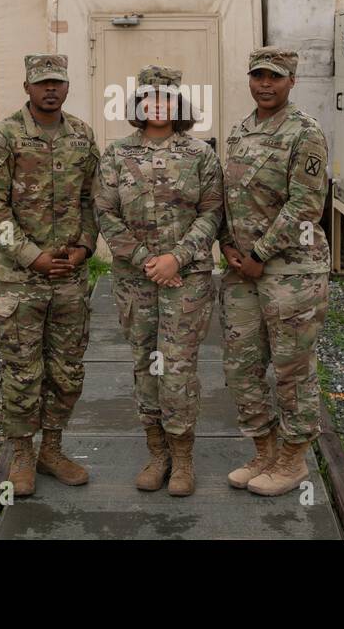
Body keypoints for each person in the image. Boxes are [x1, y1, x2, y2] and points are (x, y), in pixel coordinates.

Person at [0, 54, 99, 496]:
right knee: (23, 368)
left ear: (67, 87)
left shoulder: (82, 136)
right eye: (42, 82)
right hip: (21, 278)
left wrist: (83, 247)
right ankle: (22, 453)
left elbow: (91, 198)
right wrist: (30, 256)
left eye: (57, 82)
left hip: (69, 275)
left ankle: (53, 450)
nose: (50, 89)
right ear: (26, 86)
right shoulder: (2, 136)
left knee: (67, 369)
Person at [94, 66, 223, 497]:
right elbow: (105, 214)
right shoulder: (115, 154)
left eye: (167, 97)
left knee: (179, 366)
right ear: (138, 105)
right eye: (149, 97)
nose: (158, 105)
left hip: (187, 279)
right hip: (136, 280)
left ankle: (183, 458)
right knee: (145, 363)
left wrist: (177, 259)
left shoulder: (200, 154)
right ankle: (157, 453)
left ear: (178, 104)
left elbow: (212, 213)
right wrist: (150, 260)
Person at [219, 46, 331, 497]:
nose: (265, 84)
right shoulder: (240, 130)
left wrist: (260, 253)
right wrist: (227, 243)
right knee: (241, 365)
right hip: (241, 271)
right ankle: (264, 451)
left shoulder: (306, 133)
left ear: (291, 81)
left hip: (292, 272)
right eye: (258, 75)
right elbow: (229, 196)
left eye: (275, 77)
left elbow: (306, 205)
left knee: (291, 368)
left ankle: (293, 460)